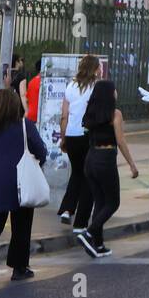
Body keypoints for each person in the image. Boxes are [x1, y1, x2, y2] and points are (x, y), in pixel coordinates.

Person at [0, 88, 48, 287]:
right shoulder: (24, 125)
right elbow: (41, 151)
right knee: (21, 223)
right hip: (19, 181)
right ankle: (19, 267)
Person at [76, 80, 139, 258]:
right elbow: (120, 140)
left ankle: (98, 244)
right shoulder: (115, 114)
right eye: (114, 89)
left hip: (91, 158)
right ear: (109, 93)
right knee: (112, 202)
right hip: (105, 159)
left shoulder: (91, 112)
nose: (116, 92)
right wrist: (132, 165)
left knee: (100, 202)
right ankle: (88, 233)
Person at [57, 54, 100, 231]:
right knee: (89, 176)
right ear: (95, 68)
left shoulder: (71, 86)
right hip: (87, 134)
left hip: (72, 134)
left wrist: (63, 137)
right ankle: (81, 220)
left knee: (76, 173)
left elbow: (64, 115)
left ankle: (67, 209)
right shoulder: (96, 87)